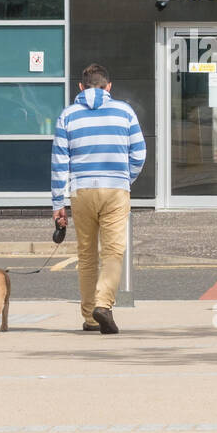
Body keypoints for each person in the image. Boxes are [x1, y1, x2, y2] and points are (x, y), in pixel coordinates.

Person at [51, 63, 146, 334]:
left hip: (81, 191)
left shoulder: (68, 116)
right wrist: (125, 180)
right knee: (113, 252)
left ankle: (90, 318)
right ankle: (103, 305)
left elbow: (60, 162)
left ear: (80, 87)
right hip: (115, 190)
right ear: (109, 86)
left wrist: (59, 204)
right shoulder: (124, 111)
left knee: (87, 254)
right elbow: (139, 153)